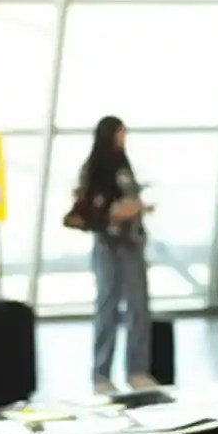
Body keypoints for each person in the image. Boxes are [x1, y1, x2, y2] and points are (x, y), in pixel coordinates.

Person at [75, 116, 156, 394]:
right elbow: (96, 207)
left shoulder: (124, 165)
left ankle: (137, 369)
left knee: (138, 307)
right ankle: (101, 372)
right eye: (120, 133)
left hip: (131, 243)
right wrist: (123, 210)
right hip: (108, 244)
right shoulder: (95, 168)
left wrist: (137, 209)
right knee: (108, 306)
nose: (123, 138)